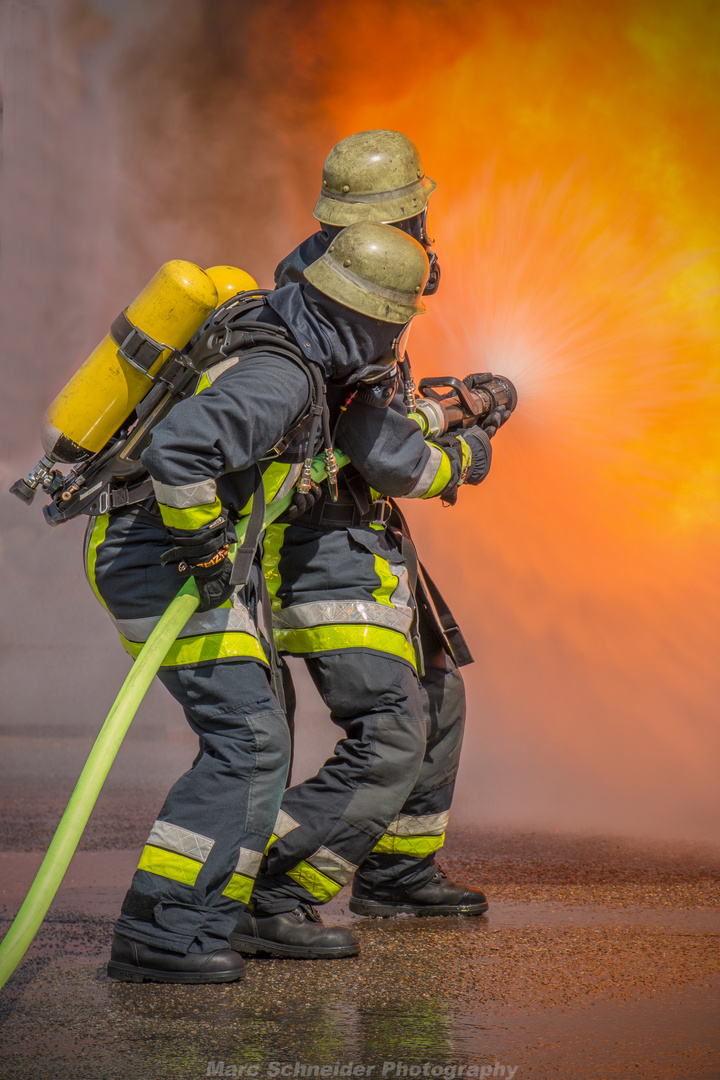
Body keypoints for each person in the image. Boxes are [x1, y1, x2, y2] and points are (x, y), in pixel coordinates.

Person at [87, 221, 473, 981]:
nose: (395, 340)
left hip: (169, 553)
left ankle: (199, 918)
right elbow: (180, 453)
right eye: (391, 323)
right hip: (155, 557)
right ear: (364, 316)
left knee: (258, 735)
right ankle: (164, 932)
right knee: (251, 737)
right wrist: (205, 550)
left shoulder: (298, 335)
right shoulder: (285, 376)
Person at [231, 132, 493, 959]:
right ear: (402, 213)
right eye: (416, 212)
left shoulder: (348, 276)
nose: (425, 227)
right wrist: (461, 454)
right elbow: (376, 448)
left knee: (438, 694)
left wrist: (445, 405)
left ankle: (396, 874)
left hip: (363, 533)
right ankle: (275, 888)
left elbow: (370, 422)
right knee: (389, 726)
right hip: (318, 542)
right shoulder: (343, 296)